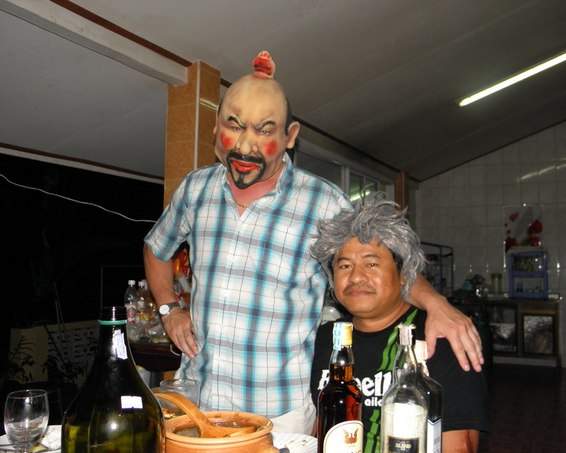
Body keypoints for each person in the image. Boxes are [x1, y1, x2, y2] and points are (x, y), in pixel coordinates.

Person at [143, 51, 483, 435]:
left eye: (264, 130)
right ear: (215, 126)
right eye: (234, 125)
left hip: (280, 415)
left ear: (290, 137)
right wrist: (169, 310)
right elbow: (156, 247)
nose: (245, 144)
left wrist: (437, 304)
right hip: (201, 402)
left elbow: (383, 261)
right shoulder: (196, 189)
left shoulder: (324, 202)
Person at [310, 192, 489, 452]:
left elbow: (460, 445)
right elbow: (320, 426)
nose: (356, 277)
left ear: (404, 274)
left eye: (372, 264)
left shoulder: (440, 337)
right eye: (345, 266)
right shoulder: (328, 338)